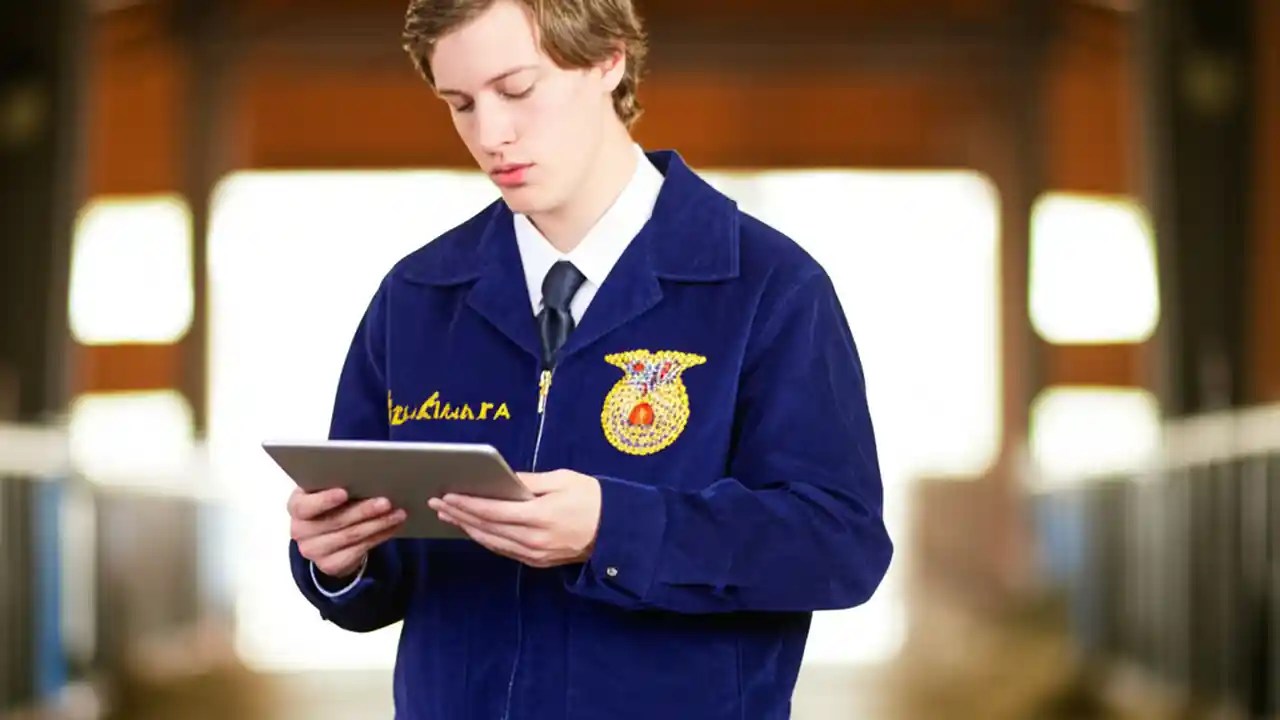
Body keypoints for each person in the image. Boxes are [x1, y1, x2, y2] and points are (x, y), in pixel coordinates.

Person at [286, 0, 893, 717]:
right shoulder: (418, 298)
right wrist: (337, 560)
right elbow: (384, 574)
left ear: (609, 58)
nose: (491, 135)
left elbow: (839, 547)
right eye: (460, 104)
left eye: (517, 90)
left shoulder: (767, 288)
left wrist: (616, 529)